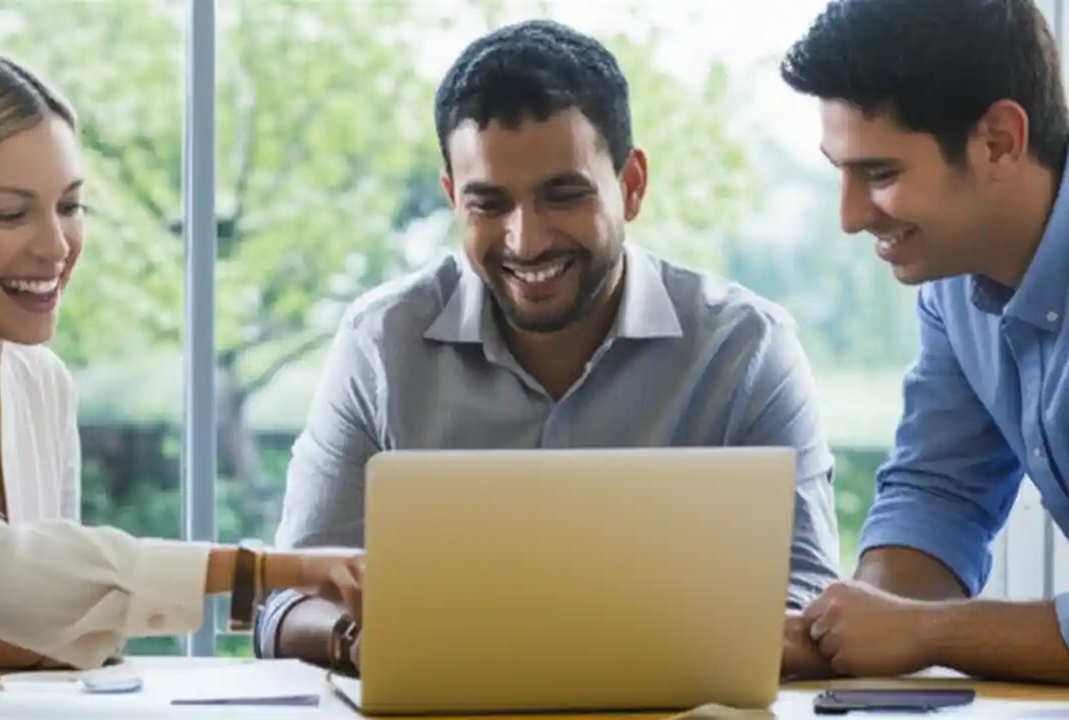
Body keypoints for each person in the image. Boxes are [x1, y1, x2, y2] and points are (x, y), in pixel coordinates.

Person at [254, 19, 841, 679]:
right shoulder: (380, 343)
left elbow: (814, 610)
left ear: (633, 185)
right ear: (453, 198)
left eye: (563, 196)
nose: (526, 241)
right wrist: (356, 640)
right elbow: (286, 600)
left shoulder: (746, 348)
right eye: (489, 204)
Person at [0, 49, 363, 720]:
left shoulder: (38, 385)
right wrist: (265, 572)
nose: (56, 245)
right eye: (9, 214)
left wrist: (64, 635)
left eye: (69, 206)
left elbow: (43, 599)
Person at [780, 0, 1069, 683]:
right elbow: (941, 495)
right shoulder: (955, 284)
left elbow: (919, 623)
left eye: (880, 175)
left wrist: (926, 632)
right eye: (840, 172)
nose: (849, 218)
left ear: (999, 140)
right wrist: (840, 629)